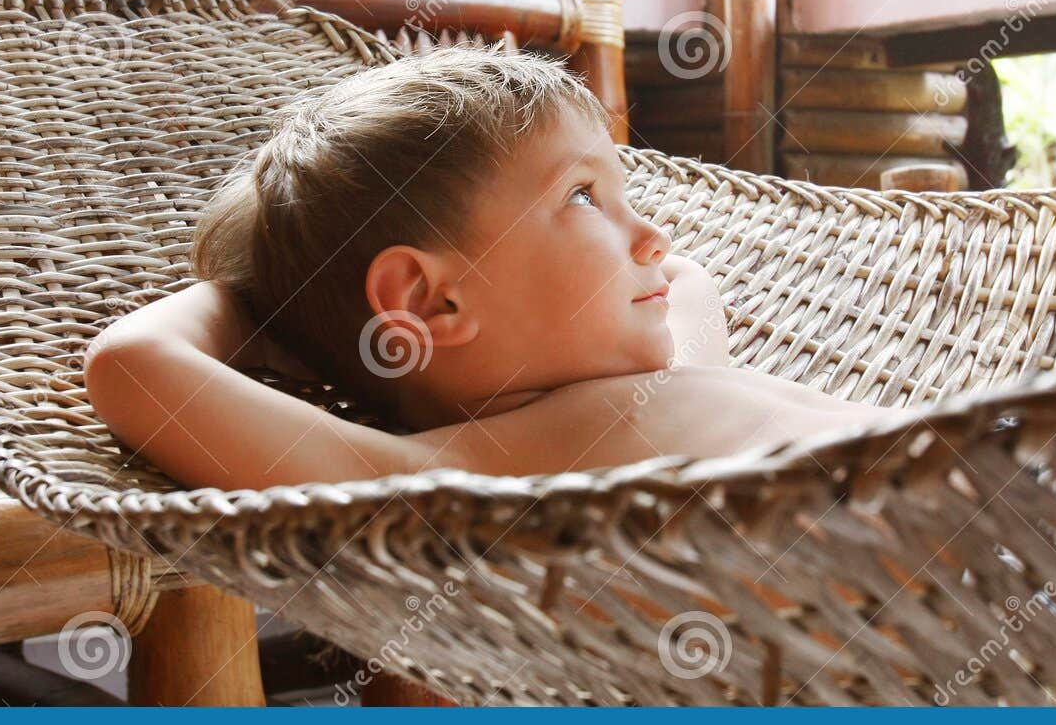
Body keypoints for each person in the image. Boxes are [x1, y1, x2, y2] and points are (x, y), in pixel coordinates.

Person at [85, 46, 897, 490]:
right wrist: (252, 306)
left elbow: (686, 277)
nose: (652, 235)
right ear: (431, 302)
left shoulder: (669, 369)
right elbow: (130, 364)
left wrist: (274, 316)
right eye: (583, 196)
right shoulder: (461, 478)